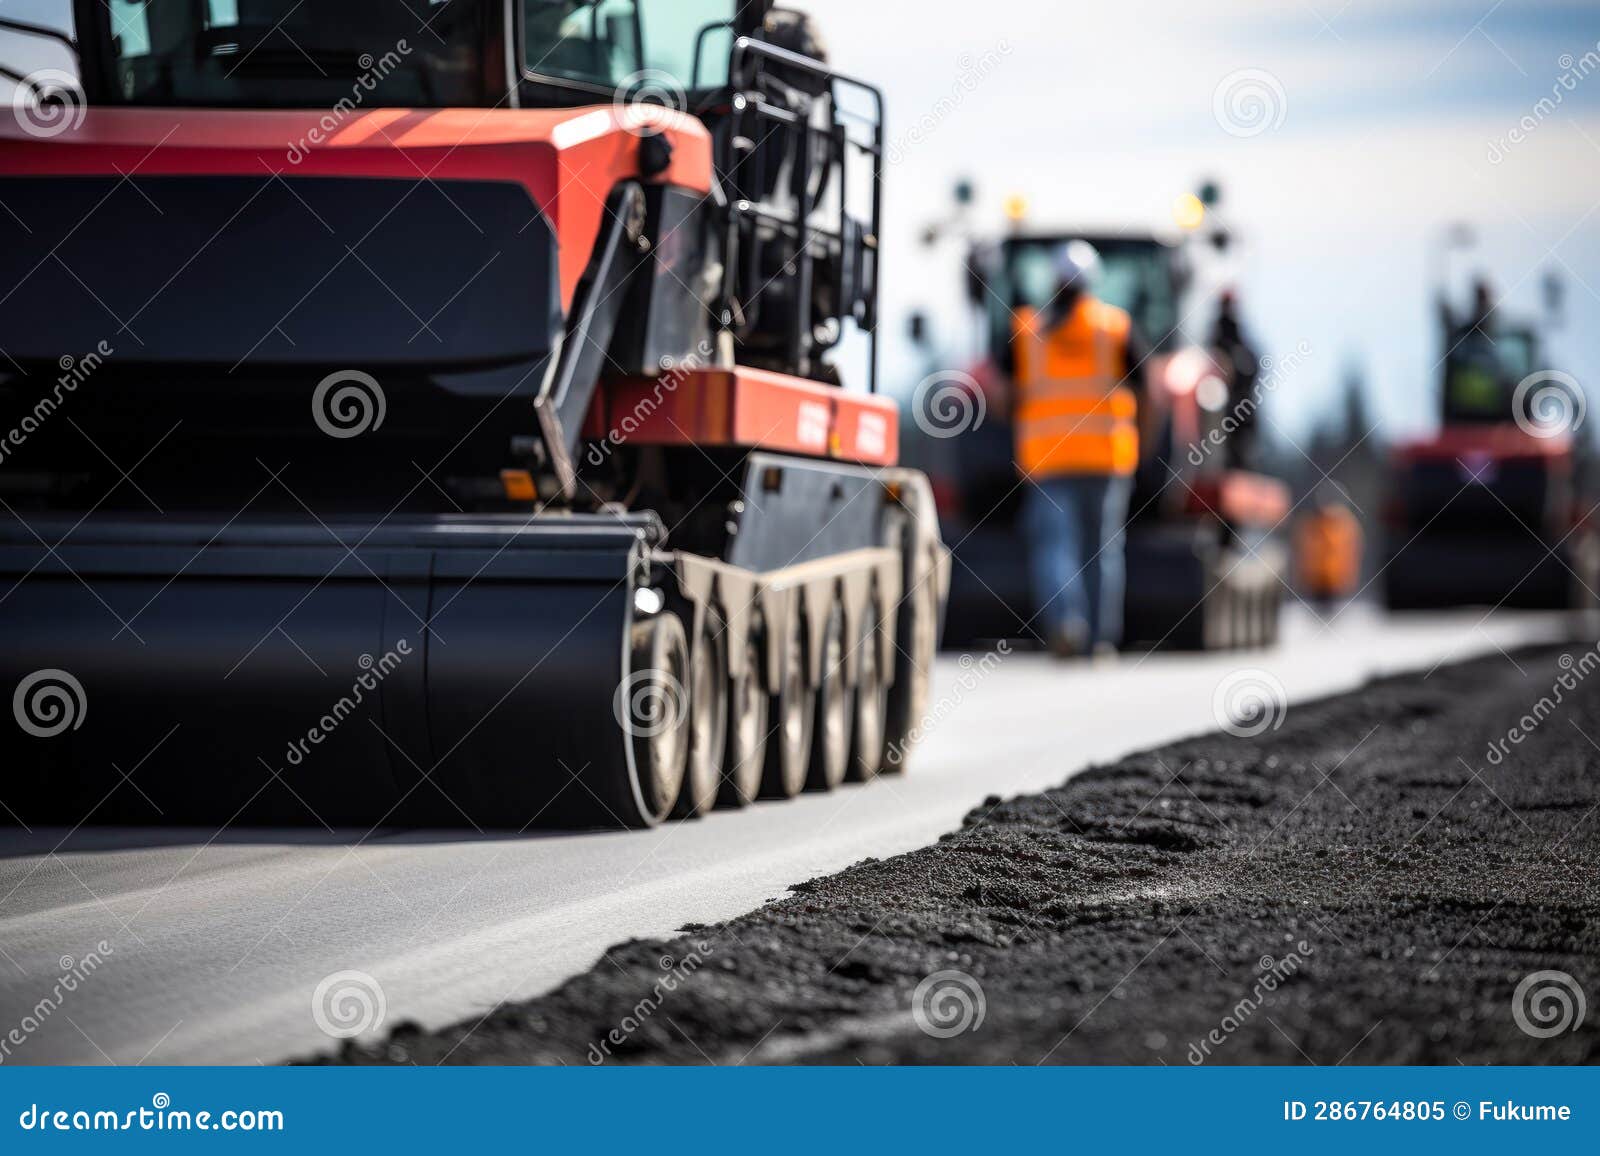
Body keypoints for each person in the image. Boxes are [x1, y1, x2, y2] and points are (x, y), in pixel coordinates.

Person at [1011, 242, 1148, 658]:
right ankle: (1100, 640)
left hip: (1048, 459)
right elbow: (1147, 390)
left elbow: (1000, 390)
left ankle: (1066, 623)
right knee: (1103, 550)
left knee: (1055, 546)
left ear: (1054, 282)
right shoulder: (1115, 328)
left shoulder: (1028, 330)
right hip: (1106, 458)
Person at [1208, 289, 1261, 470]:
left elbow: (1250, 370)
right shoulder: (1217, 341)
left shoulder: (1236, 343)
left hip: (1239, 416)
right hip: (1226, 417)